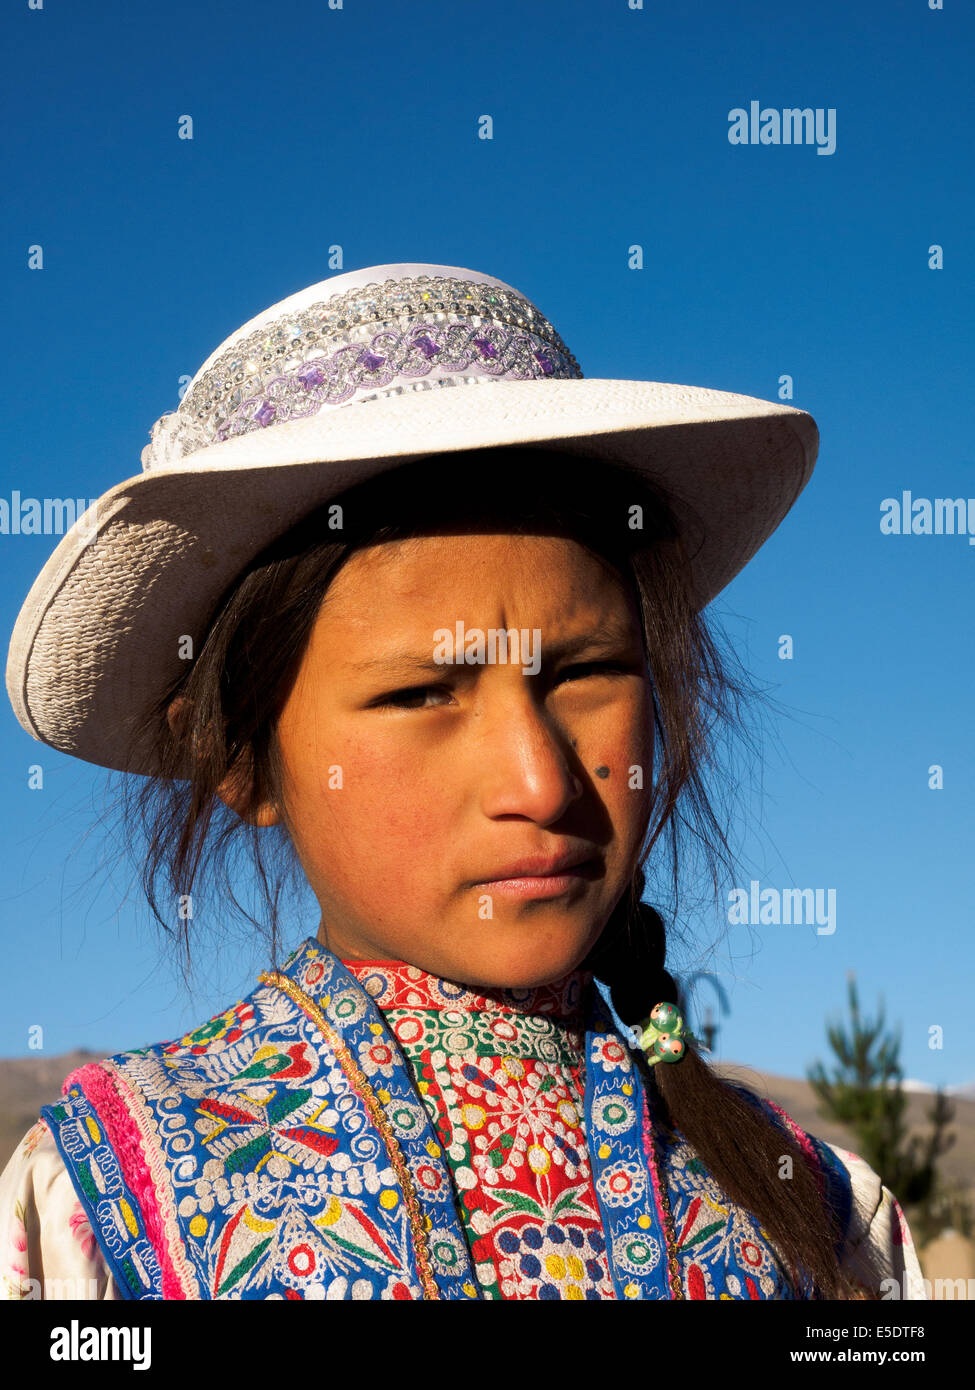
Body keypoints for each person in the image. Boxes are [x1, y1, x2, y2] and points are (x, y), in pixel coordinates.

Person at [0, 263, 925, 1301]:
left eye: (584, 673)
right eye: (423, 694)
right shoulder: (102, 1208)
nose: (540, 781)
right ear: (241, 760)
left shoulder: (822, 1222)